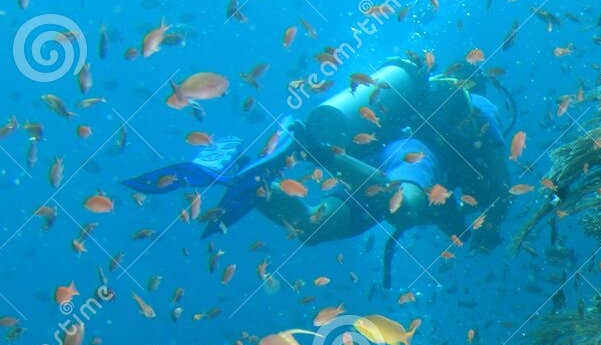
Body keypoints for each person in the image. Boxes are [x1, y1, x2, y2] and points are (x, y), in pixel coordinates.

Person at [122, 52, 511, 285]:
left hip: (366, 160)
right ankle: (315, 150)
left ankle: (243, 170)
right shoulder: (480, 105)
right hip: (412, 157)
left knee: (311, 228)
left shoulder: (422, 95)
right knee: (405, 205)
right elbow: (499, 184)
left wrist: (464, 228)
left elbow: (449, 213)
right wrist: (490, 227)